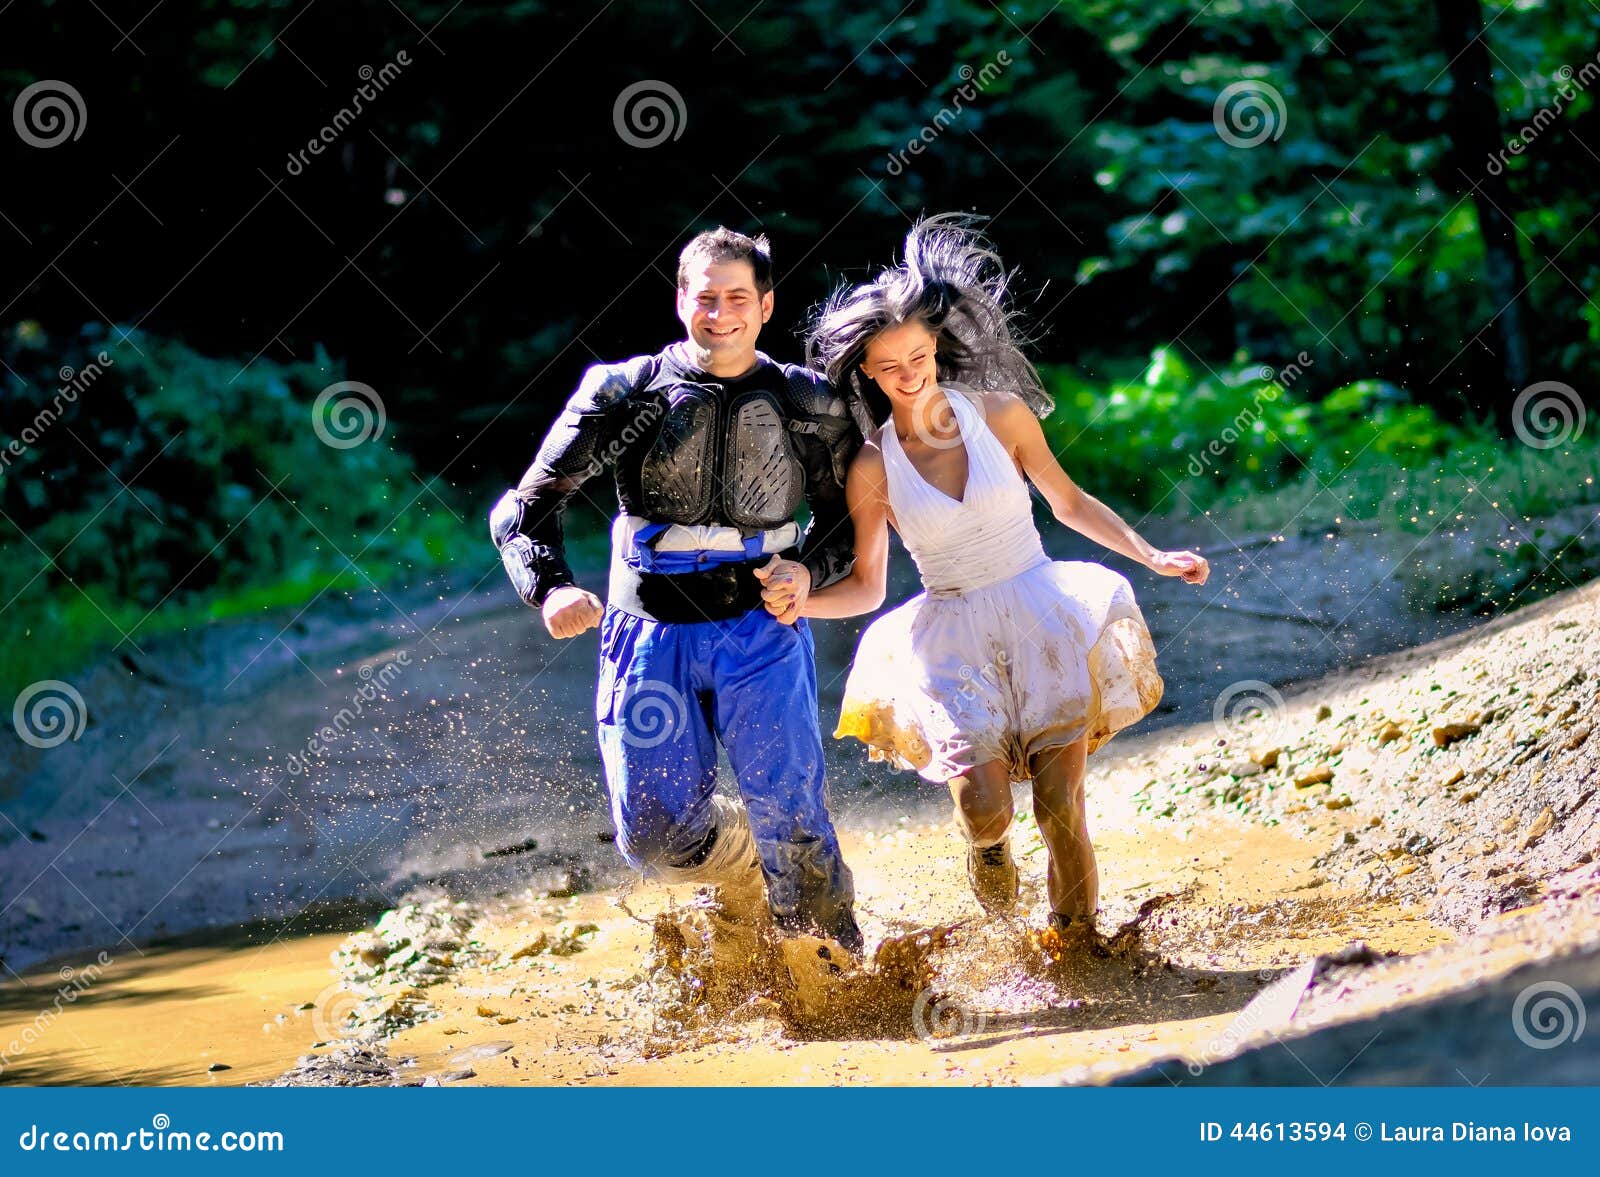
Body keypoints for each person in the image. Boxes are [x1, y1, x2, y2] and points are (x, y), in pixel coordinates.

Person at [760, 214, 1208, 951]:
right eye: (891, 366)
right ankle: (989, 860)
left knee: (1062, 807)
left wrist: (1152, 554)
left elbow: (1068, 501)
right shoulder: (874, 467)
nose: (911, 374)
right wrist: (799, 601)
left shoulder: (999, 414)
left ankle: (1078, 952)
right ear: (866, 375)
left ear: (934, 345)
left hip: (1043, 609)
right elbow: (870, 586)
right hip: (952, 638)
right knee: (986, 810)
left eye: (919, 354)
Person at [489, 226, 869, 956]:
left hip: (759, 628)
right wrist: (550, 590)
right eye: (705, 297)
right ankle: (742, 863)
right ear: (679, 301)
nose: (719, 313)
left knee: (791, 815)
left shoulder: (808, 402)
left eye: (737, 299)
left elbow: (850, 518)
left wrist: (809, 572)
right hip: (647, 634)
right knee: (655, 840)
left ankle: (842, 989)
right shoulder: (622, 392)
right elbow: (523, 509)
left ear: (765, 305)